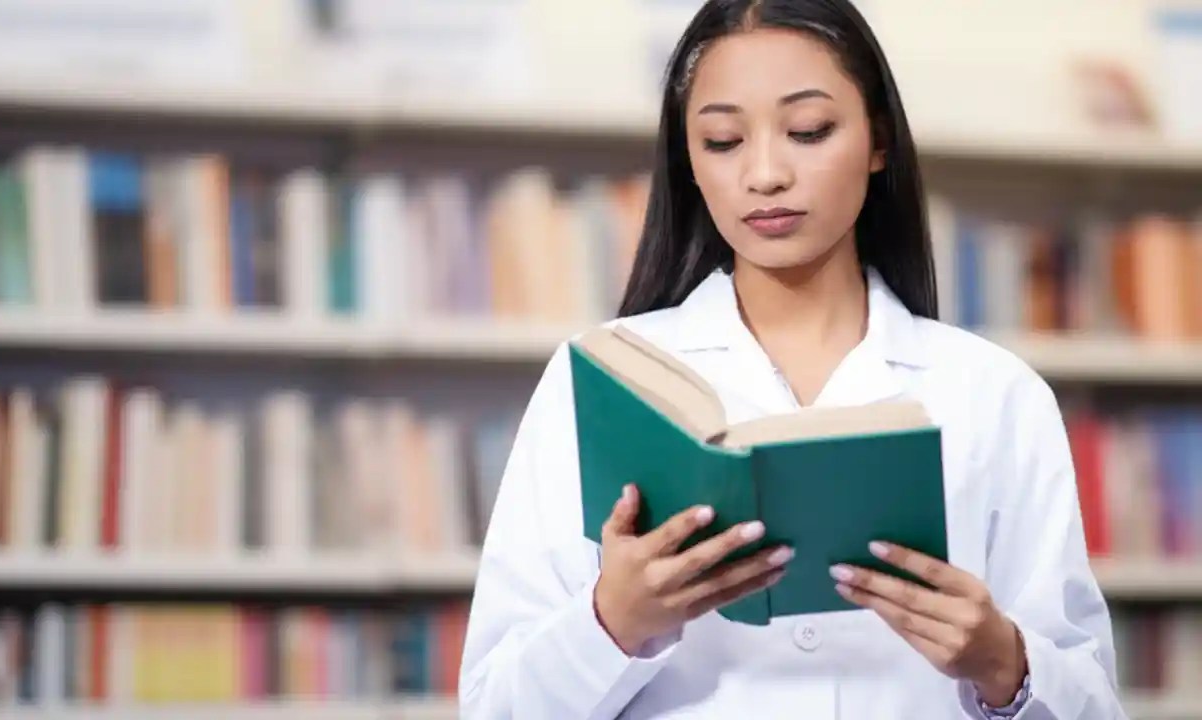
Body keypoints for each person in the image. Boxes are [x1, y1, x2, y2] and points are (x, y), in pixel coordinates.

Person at [458, 0, 1125, 717]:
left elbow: (1094, 703)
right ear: (688, 159)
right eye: (722, 141)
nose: (766, 173)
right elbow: (495, 706)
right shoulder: (599, 381)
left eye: (808, 131)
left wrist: (1004, 662)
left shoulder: (995, 394)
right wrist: (612, 622)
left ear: (879, 141)